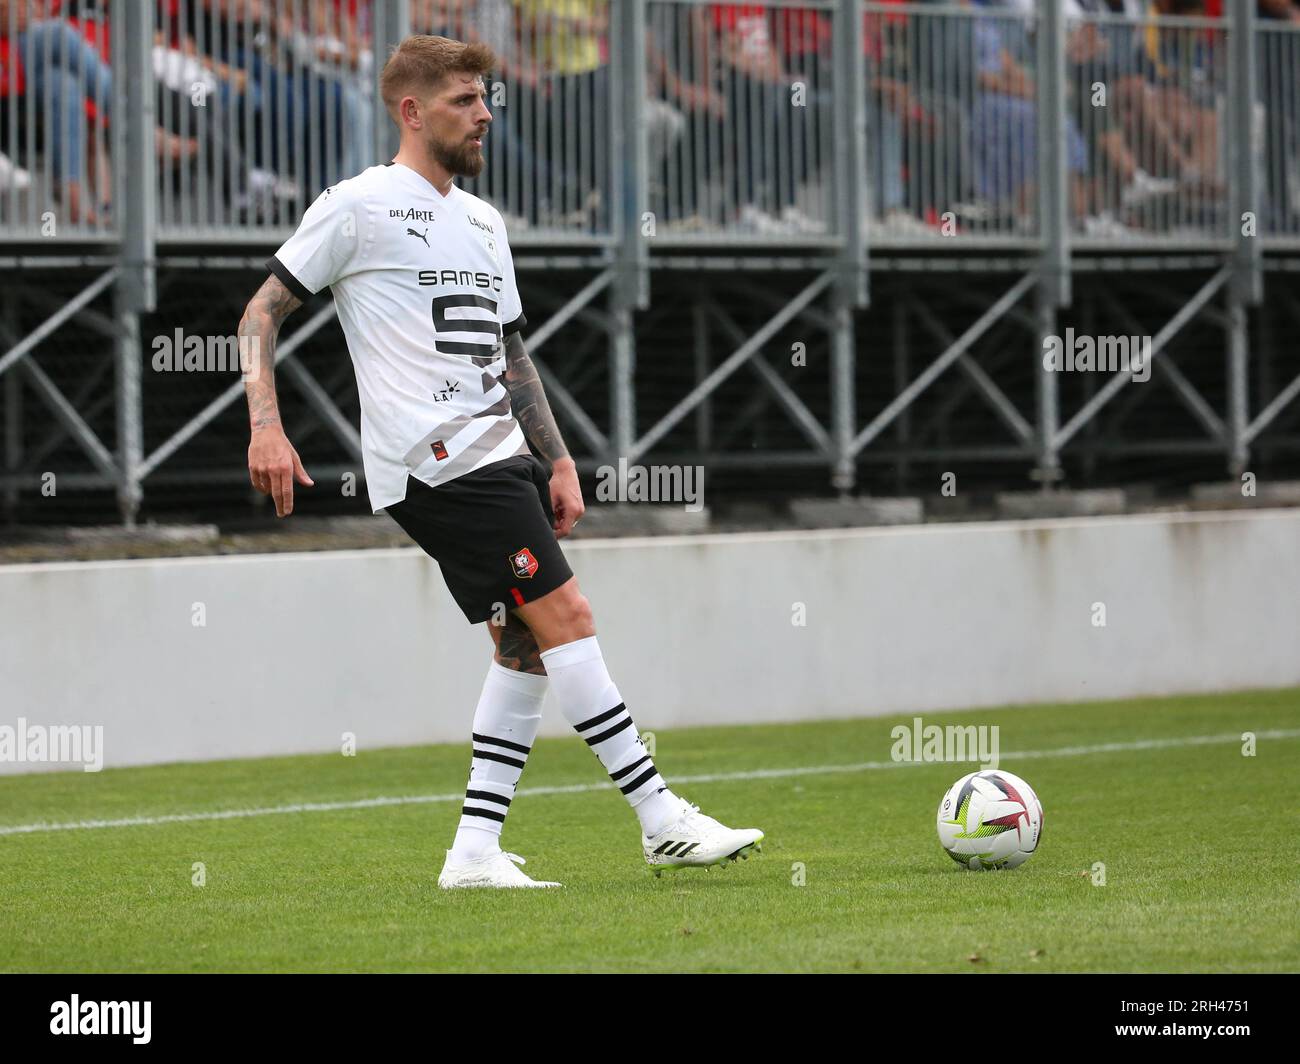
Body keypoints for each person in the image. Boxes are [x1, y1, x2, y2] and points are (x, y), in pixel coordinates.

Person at [236, 33, 764, 889]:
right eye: (464, 101)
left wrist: (554, 461)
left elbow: (511, 351)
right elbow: (260, 313)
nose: (485, 114)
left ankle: (474, 854)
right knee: (569, 616)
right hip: (434, 459)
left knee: (522, 642)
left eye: (485, 98)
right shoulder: (358, 205)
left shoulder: (484, 222)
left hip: (500, 453)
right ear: (411, 111)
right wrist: (267, 424)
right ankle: (660, 817)